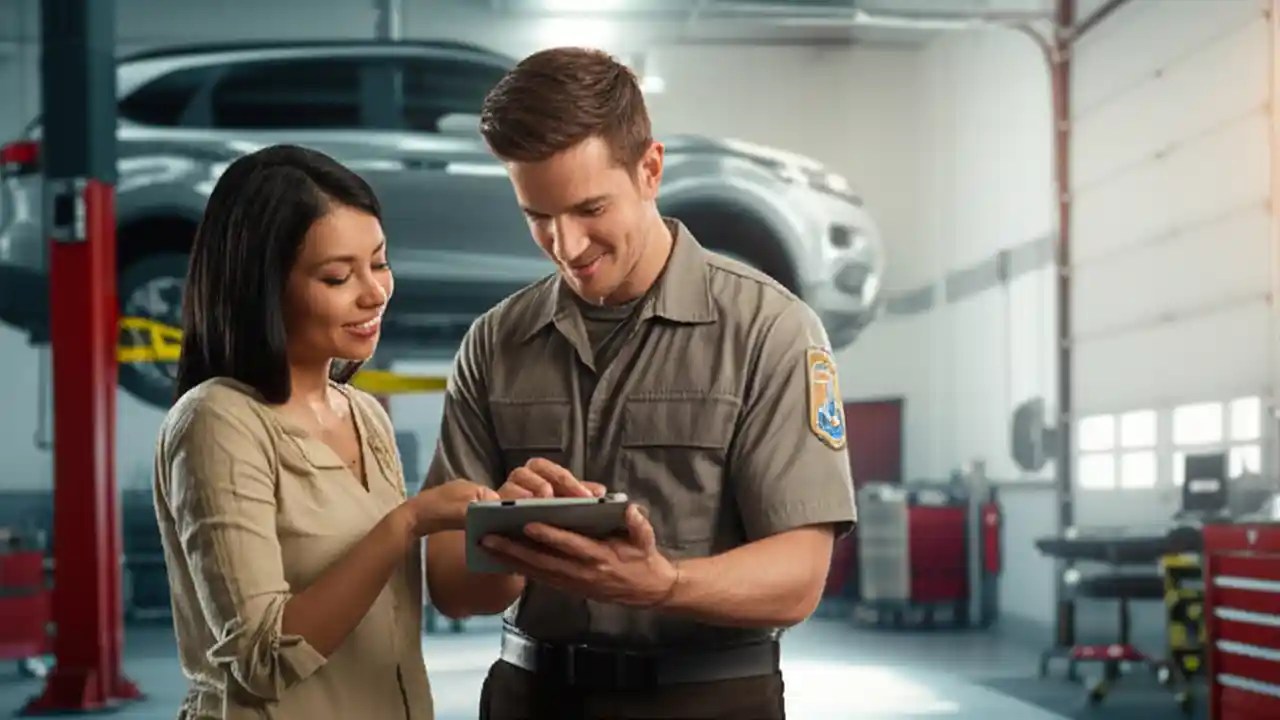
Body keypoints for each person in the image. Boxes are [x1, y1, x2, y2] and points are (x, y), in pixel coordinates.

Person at [420, 47, 858, 719]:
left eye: (590, 207)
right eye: (538, 216)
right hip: (531, 697)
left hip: (710, 700)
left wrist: (662, 583)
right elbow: (450, 585)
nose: (567, 245)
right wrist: (508, 539)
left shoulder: (771, 330)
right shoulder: (495, 342)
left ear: (650, 169)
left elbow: (800, 576)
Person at [152, 144, 497, 719]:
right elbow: (259, 660)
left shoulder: (364, 416)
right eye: (338, 276)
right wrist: (405, 523)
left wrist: (518, 528)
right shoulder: (218, 422)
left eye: (380, 263)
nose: (375, 292)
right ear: (263, 285)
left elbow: (402, 615)